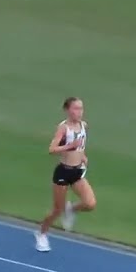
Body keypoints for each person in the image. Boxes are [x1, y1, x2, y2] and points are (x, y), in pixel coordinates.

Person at [35, 96, 96, 252]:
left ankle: (72, 209)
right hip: (63, 172)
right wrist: (69, 146)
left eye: (81, 108)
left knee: (90, 203)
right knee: (57, 210)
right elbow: (52, 149)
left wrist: (83, 156)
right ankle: (41, 234)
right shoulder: (63, 128)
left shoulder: (84, 126)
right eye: (75, 108)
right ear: (67, 110)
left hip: (77, 172)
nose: (79, 112)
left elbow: (81, 147)